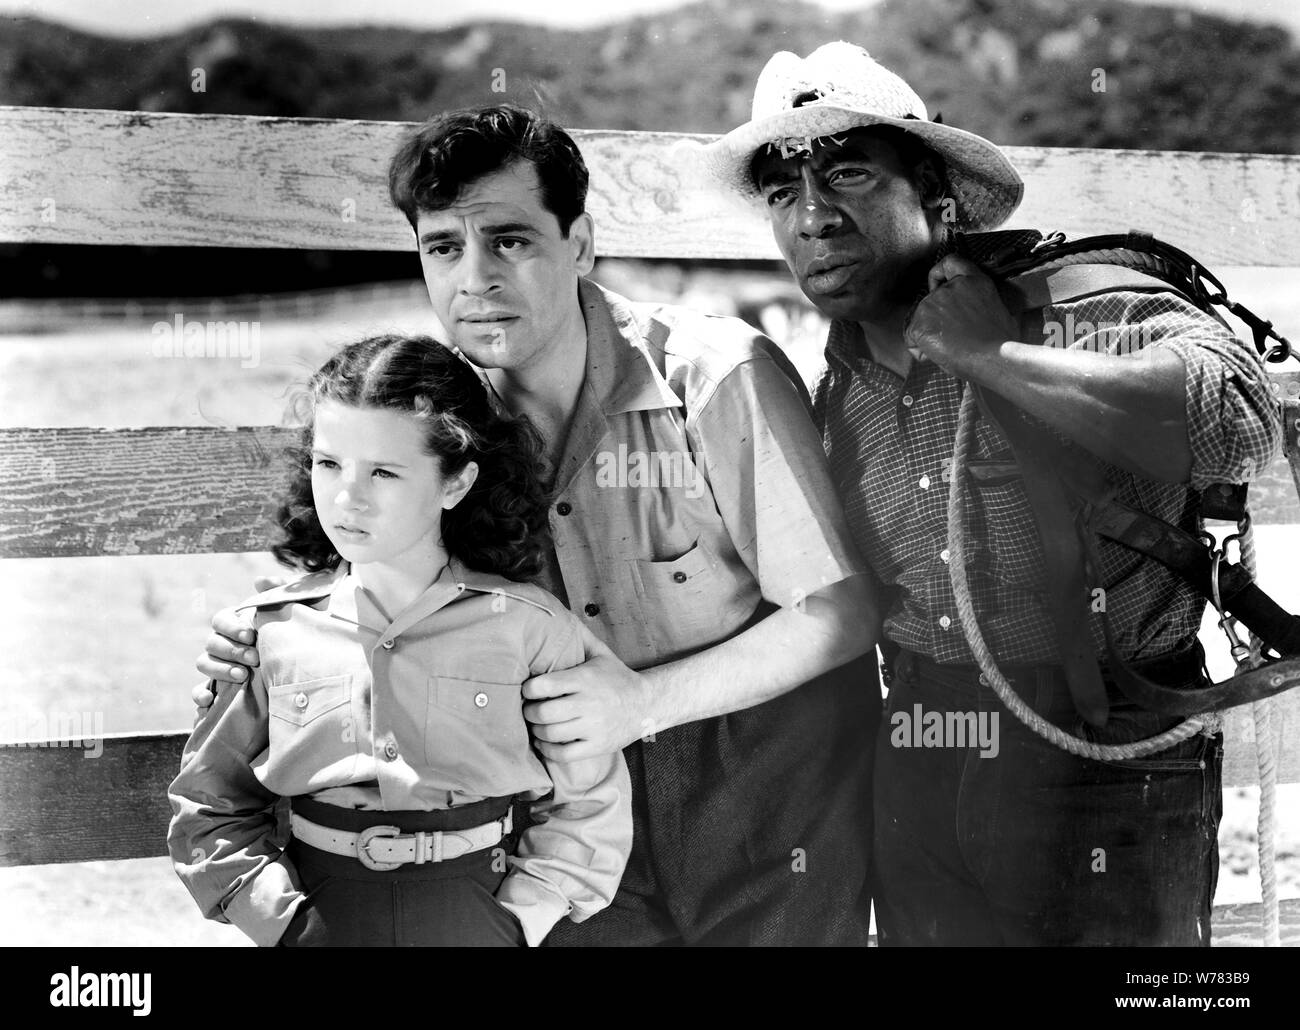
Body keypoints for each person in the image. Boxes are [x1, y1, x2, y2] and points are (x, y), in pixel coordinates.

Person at [194, 105, 883, 946]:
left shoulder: (712, 374)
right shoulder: (436, 419)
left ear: (581, 244)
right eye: (443, 248)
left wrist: (637, 704)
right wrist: (269, 636)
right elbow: (376, 560)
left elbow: (841, 613)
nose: (474, 278)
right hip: (569, 803)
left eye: (510, 241)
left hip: (767, 782)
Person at [701, 40, 1282, 946]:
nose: (812, 216)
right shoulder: (835, 389)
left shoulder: (1081, 306)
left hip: (1107, 761)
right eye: (784, 194)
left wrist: (990, 357)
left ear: (937, 194)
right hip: (923, 755)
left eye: (848, 175)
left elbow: (1239, 417)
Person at [169, 334, 631, 947]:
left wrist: (518, 921)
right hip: (321, 913)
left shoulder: (528, 627)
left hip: (478, 910)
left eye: (383, 472)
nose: (346, 497)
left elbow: (588, 801)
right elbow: (209, 804)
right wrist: (282, 924)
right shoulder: (267, 633)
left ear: (455, 483)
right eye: (328, 463)